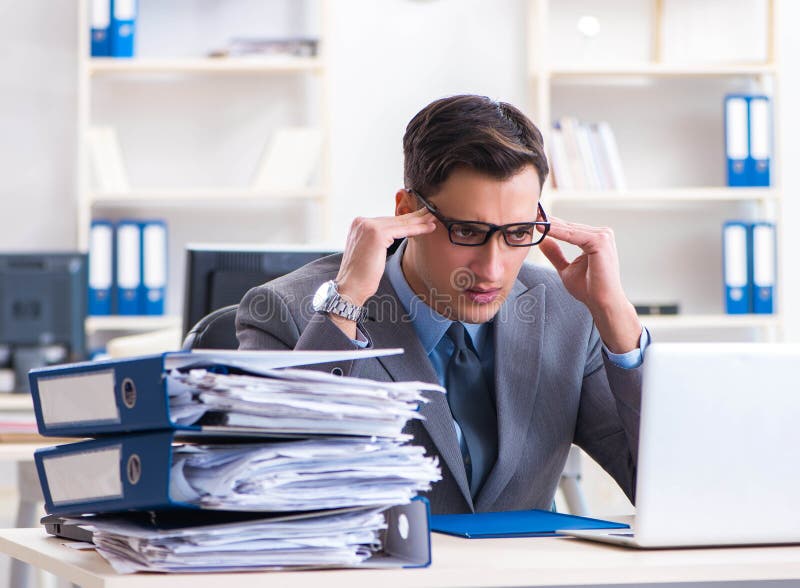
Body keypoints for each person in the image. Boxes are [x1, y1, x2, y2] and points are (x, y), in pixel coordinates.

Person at [236, 94, 648, 515]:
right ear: (406, 211)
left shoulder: (570, 313)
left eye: (518, 232)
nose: (492, 268)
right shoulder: (289, 311)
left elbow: (663, 488)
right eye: (468, 232)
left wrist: (616, 317)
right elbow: (263, 497)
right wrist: (346, 306)